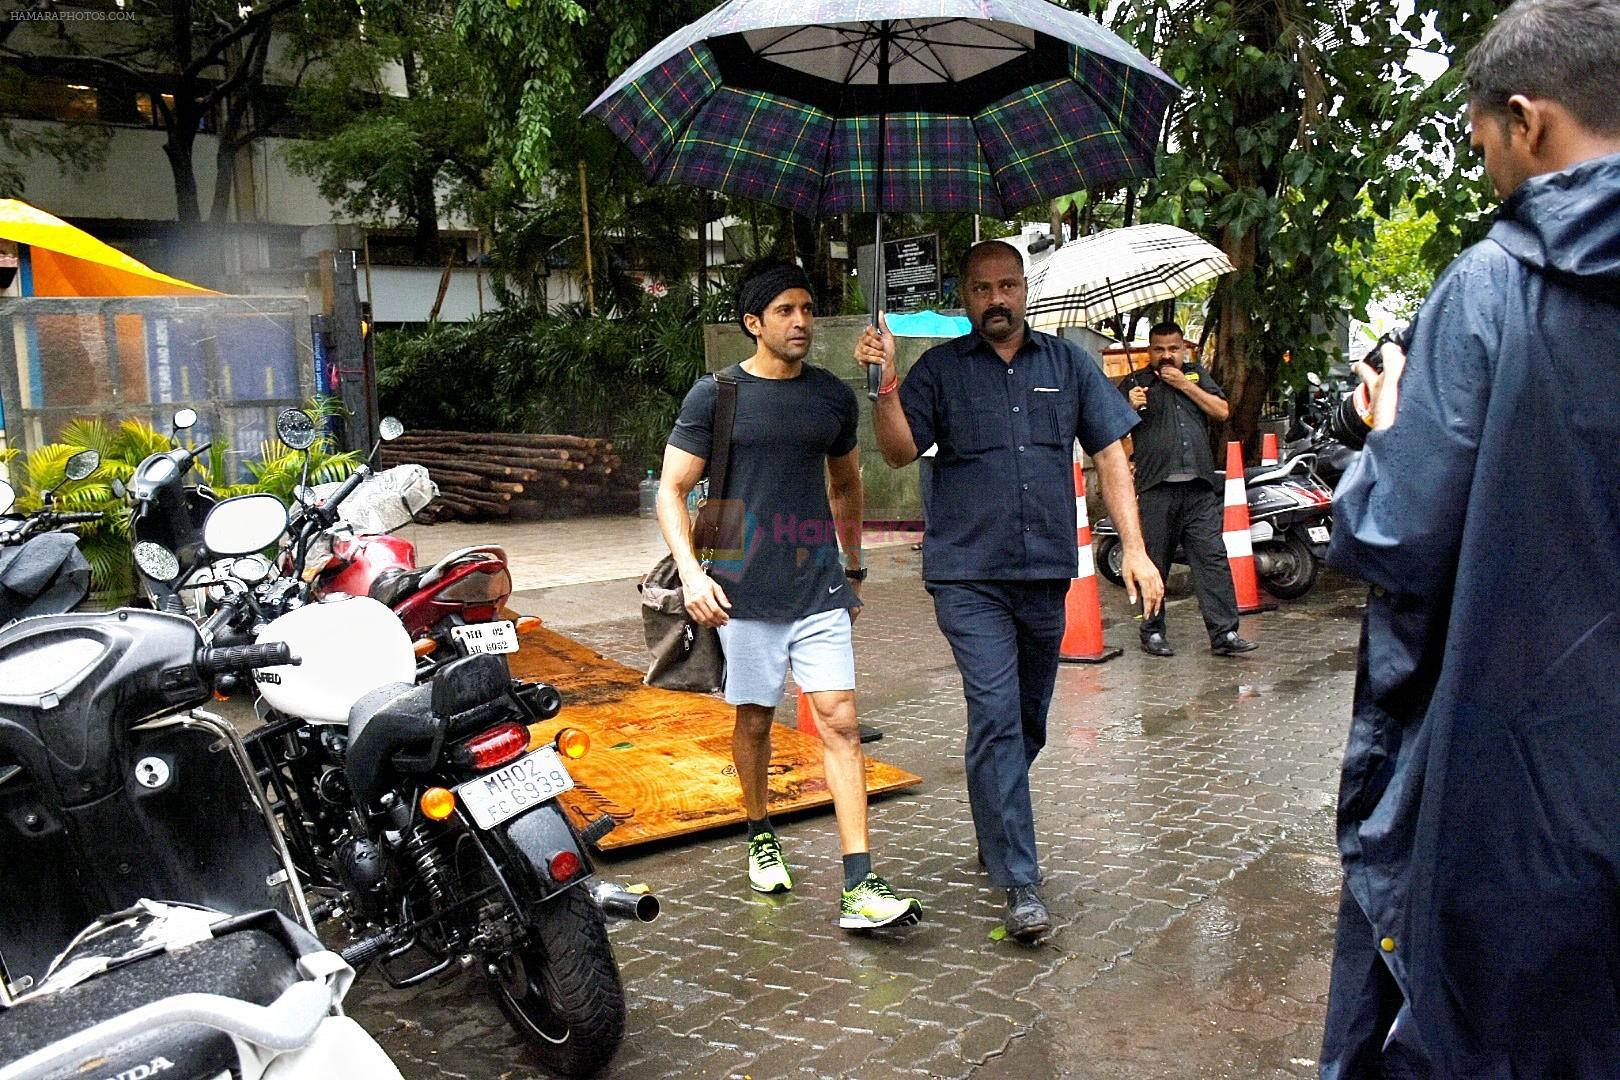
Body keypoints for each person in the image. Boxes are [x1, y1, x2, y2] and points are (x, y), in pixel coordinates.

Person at [1319, 1, 1620, 1074]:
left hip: (1509, 776)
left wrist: (1388, 433)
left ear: (1527, 120)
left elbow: (1397, 532)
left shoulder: (1494, 289)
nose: (1488, 163)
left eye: (1485, 138)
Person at [855, 240, 1163, 942]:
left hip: (1045, 572)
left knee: (1025, 724)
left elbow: (1112, 453)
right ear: (963, 297)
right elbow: (900, 448)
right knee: (995, 713)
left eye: (1007, 286)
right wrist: (885, 384)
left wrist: (1138, 552)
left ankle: (994, 816)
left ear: (1025, 290)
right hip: (967, 574)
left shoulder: (1067, 365)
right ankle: (1021, 884)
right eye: (981, 288)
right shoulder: (939, 371)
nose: (996, 298)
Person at [656, 257, 922, 931]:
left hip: (817, 583)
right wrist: (692, 573)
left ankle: (859, 882)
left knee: (838, 719)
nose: (801, 321)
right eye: (785, 311)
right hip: (740, 585)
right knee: (753, 720)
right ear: (754, 323)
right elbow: (672, 490)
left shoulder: (832, 397)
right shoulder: (716, 395)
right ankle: (758, 829)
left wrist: (853, 568)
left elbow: (845, 487)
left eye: (807, 308)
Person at [1117, 323, 1257, 658]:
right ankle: (1151, 632)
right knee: (1154, 564)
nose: (1167, 355)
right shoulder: (1135, 384)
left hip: (1199, 488)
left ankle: (1224, 633)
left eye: (1173, 348)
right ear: (1148, 351)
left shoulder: (1196, 376)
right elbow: (1110, 436)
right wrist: (1129, 408)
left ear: (1184, 349)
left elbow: (1222, 411)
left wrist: (1184, 386)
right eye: (1159, 349)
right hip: (1156, 488)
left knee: (1212, 560)